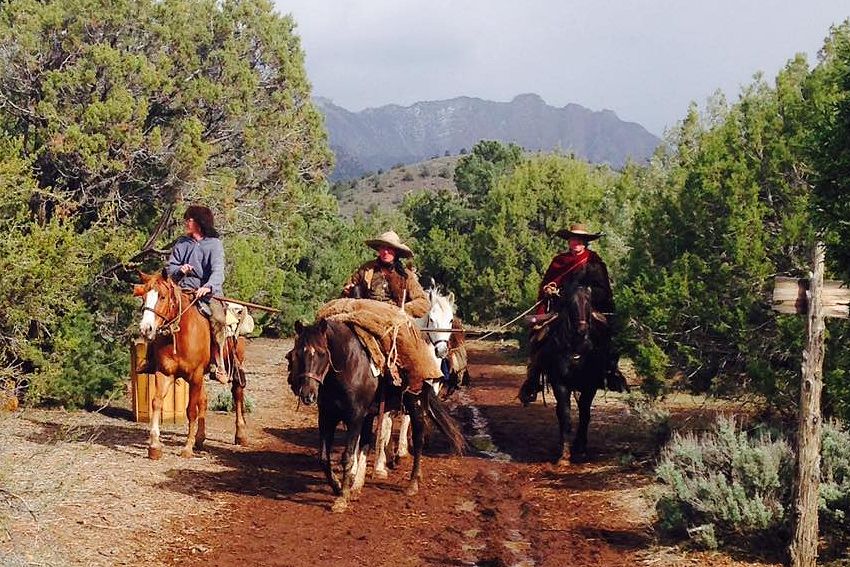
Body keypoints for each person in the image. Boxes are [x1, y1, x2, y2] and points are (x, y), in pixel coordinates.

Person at [519, 223, 625, 404]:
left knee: (606, 333)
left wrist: (586, 294)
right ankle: (533, 377)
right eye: (573, 239)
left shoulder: (594, 262)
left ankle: (611, 371)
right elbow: (547, 283)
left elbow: (604, 290)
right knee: (539, 336)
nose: (575, 242)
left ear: (585, 242)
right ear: (568, 241)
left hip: (589, 308)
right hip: (561, 308)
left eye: (579, 240)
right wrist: (549, 289)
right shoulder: (559, 261)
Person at [166, 205, 229, 383]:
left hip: (208, 294)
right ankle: (151, 359)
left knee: (218, 319)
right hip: (183, 291)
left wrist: (208, 287)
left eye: (190, 219)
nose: (187, 222)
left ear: (200, 222)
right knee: (159, 312)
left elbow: (218, 271)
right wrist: (180, 270)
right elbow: (171, 267)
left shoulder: (214, 244)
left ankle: (218, 363)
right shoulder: (182, 243)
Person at [342, 230, 430, 319]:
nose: (385, 252)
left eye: (389, 248)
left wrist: (403, 310)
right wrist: (349, 290)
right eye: (383, 248)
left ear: (396, 251)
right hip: (366, 316)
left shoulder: (405, 275)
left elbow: (423, 302)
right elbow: (347, 288)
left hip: (394, 319)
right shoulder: (367, 269)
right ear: (379, 250)